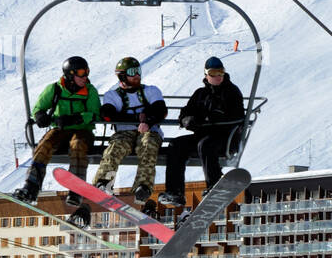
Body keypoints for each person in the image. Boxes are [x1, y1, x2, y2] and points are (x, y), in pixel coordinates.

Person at [14, 55, 102, 227]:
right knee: (45, 144)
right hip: (60, 130)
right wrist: (40, 116)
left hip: (82, 130)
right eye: (81, 73)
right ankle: (31, 186)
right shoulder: (55, 89)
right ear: (70, 75)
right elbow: (38, 108)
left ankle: (76, 190)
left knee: (78, 146)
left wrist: (75, 119)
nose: (85, 77)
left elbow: (95, 114)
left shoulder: (89, 91)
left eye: (87, 73)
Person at [160, 56, 245, 208]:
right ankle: (175, 192)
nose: (218, 76)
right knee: (176, 145)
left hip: (224, 137)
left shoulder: (231, 92)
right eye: (213, 73)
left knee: (205, 145)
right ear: (206, 75)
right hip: (202, 135)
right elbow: (185, 112)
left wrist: (211, 118)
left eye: (220, 72)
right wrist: (187, 120)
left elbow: (237, 116)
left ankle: (214, 184)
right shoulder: (200, 94)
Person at [90, 56, 168, 204]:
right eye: (133, 72)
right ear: (122, 75)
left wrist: (148, 121)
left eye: (138, 71)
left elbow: (160, 110)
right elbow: (108, 114)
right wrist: (138, 117)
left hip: (149, 130)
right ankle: (104, 182)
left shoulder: (150, 91)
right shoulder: (113, 95)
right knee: (115, 147)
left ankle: (143, 186)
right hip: (124, 133)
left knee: (148, 145)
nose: (137, 75)